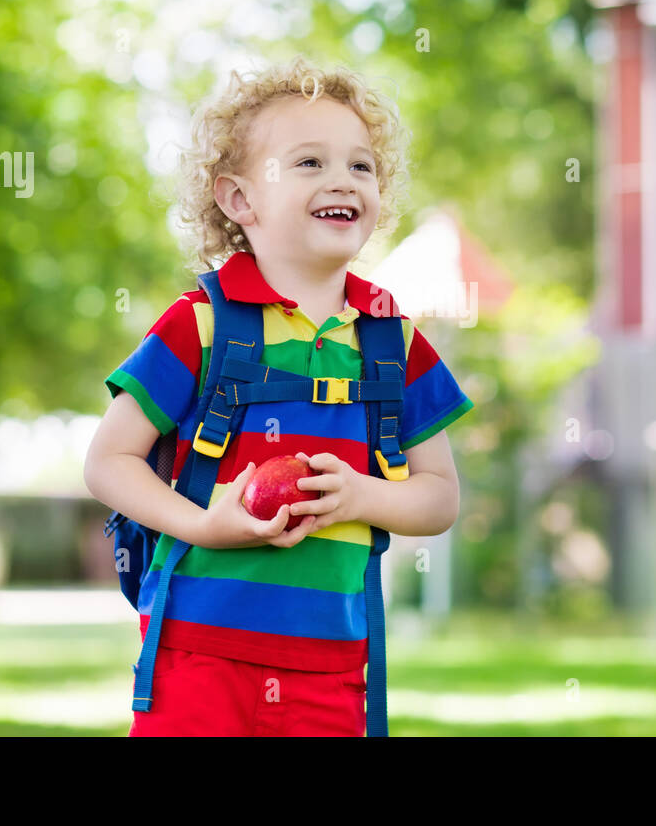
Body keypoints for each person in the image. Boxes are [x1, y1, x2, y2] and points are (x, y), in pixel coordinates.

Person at [83, 56, 475, 736]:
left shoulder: (393, 342)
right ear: (240, 200)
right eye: (309, 164)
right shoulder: (201, 325)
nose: (342, 181)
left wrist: (362, 496)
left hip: (333, 669)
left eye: (361, 166)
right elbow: (108, 462)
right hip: (195, 658)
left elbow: (439, 494)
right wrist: (207, 525)